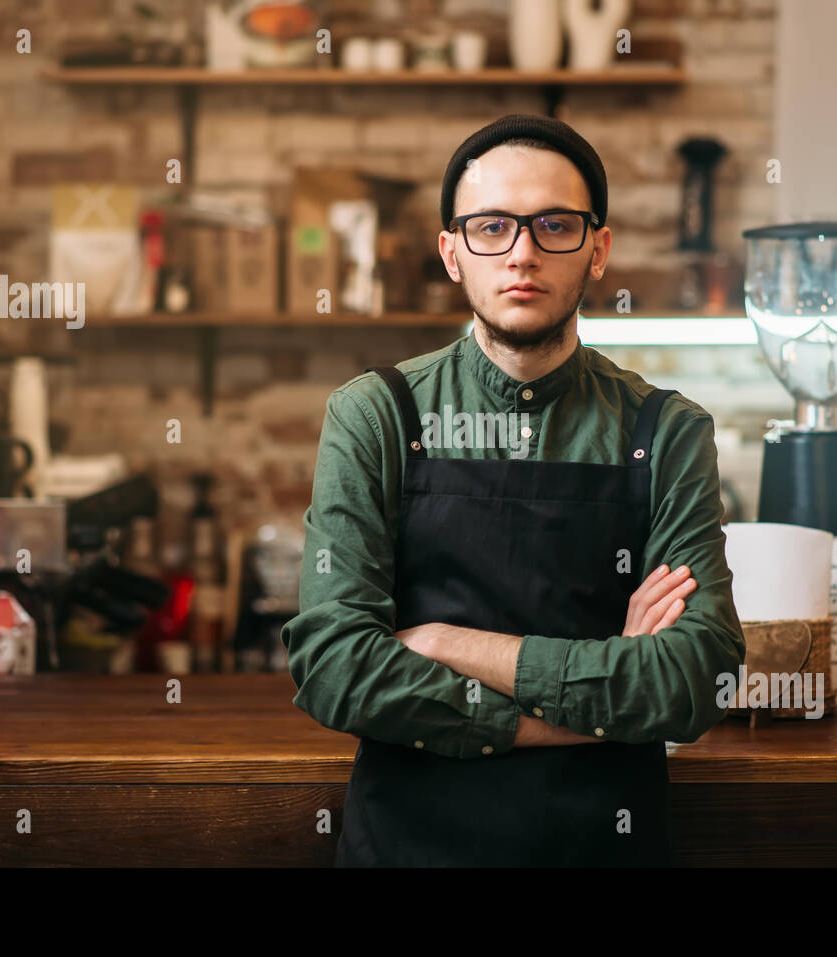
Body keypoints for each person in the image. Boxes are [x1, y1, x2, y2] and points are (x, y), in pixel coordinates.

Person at [280, 113, 746, 867]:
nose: (523, 253)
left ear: (598, 250)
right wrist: (595, 700)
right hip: (408, 848)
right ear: (452, 253)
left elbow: (698, 678)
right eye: (492, 226)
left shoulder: (666, 430)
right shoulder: (377, 415)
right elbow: (335, 666)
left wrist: (443, 644)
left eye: (555, 225)